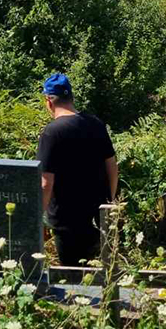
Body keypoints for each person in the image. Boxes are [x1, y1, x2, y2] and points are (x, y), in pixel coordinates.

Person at [36, 73, 119, 266]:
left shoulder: (51, 133)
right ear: (71, 97)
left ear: (49, 101)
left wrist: (38, 217)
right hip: (97, 216)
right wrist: (109, 201)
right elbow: (112, 166)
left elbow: (46, 183)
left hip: (66, 222)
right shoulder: (95, 123)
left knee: (72, 274)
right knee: (99, 271)